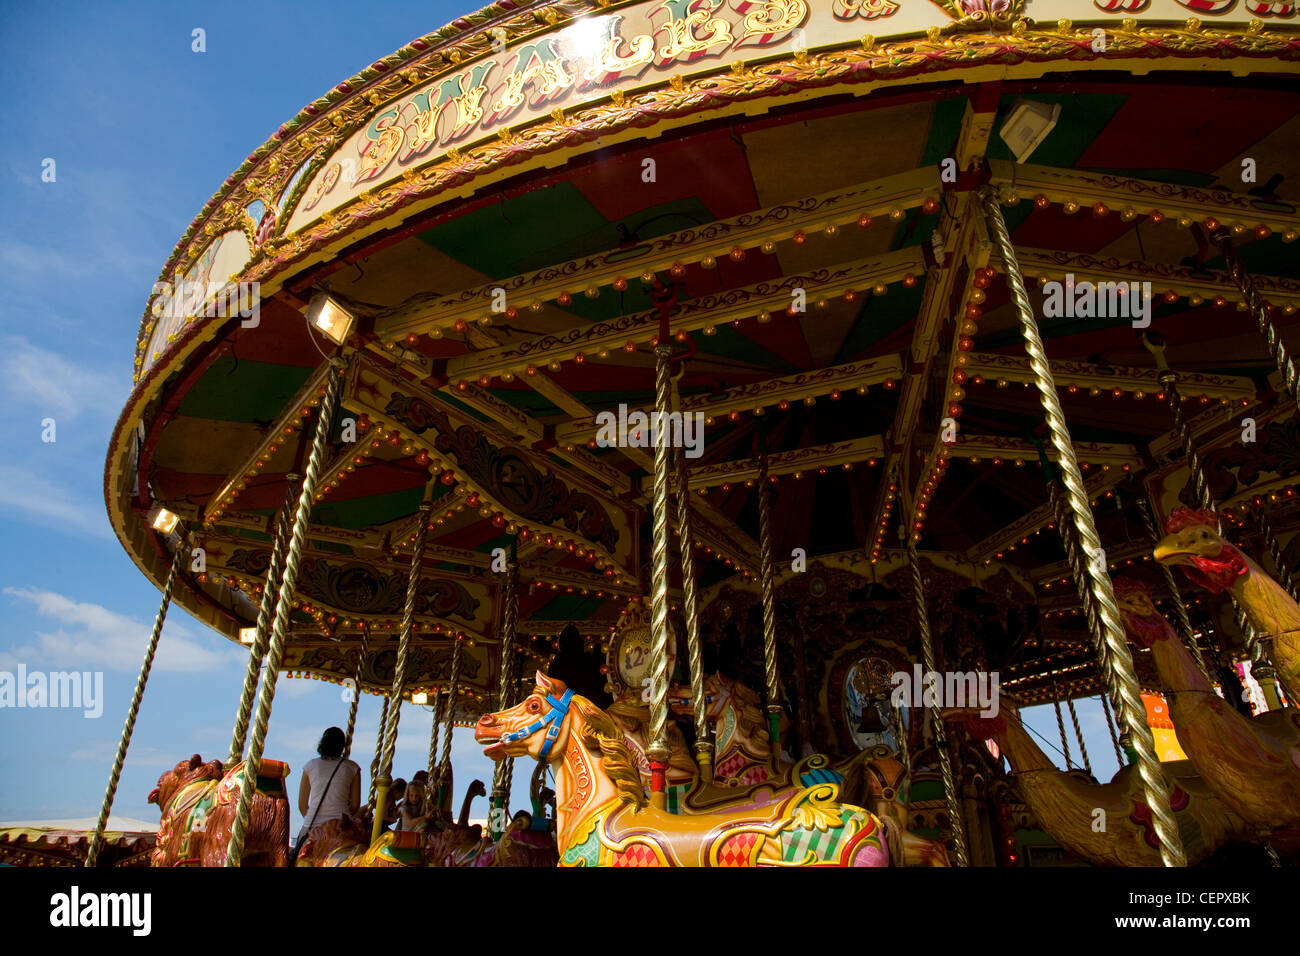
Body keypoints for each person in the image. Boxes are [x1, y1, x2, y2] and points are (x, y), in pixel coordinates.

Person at [294, 727, 361, 859]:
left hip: (313, 825)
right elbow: (355, 805)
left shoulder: (310, 766)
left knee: (294, 857)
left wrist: (317, 825)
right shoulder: (352, 767)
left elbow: (302, 805)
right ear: (343, 746)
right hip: (341, 826)